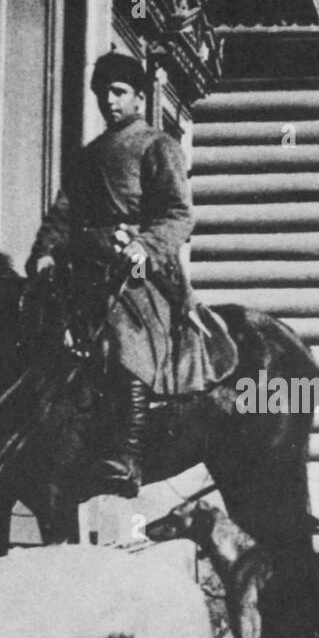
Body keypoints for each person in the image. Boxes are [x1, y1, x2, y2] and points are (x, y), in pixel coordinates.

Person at [26, 52, 198, 500]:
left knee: (124, 336)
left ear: (139, 98)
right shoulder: (88, 156)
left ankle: (128, 456)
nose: (110, 101)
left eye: (119, 92)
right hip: (84, 267)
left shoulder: (159, 146)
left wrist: (145, 247)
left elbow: (178, 215)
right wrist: (44, 252)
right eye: (103, 93)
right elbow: (63, 213)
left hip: (138, 271)